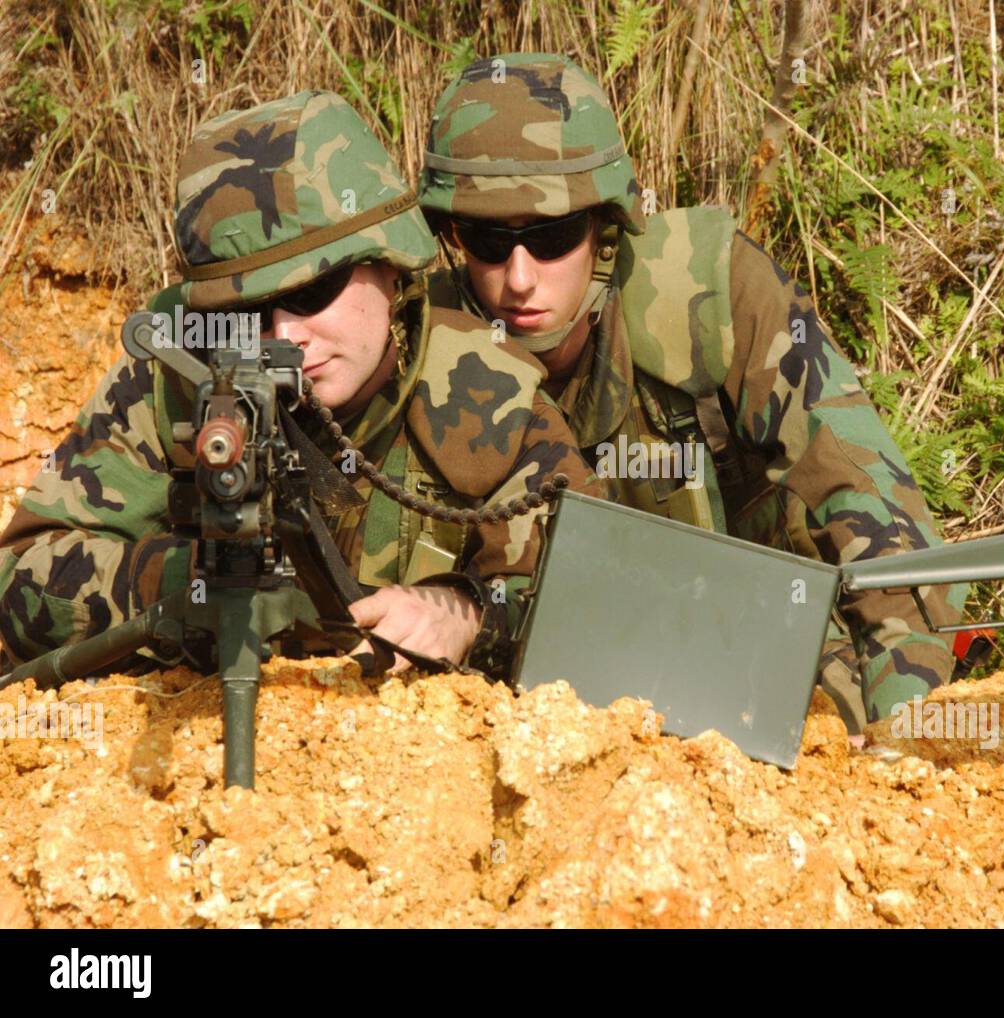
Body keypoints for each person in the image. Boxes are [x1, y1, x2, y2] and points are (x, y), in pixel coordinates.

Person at [416, 53, 969, 730]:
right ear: (451, 237)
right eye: (488, 240)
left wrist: (903, 732)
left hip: (751, 641)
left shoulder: (713, 295)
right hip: (529, 681)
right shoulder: (421, 343)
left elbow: (873, 511)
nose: (520, 278)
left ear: (605, 229)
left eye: (553, 236)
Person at [0, 89, 604, 679]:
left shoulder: (487, 392)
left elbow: (601, 604)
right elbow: (18, 579)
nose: (286, 334)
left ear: (390, 265)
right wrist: (194, 580)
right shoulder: (173, 375)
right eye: (249, 312)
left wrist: (470, 617)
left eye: (314, 292)